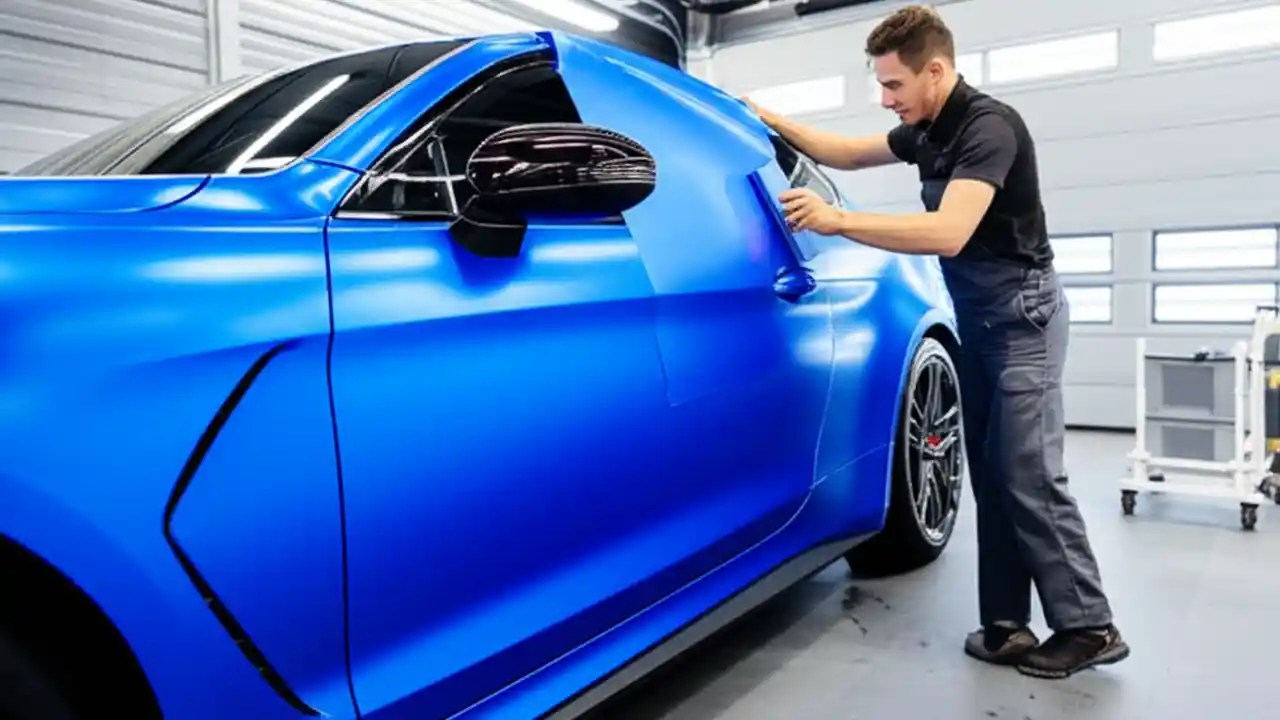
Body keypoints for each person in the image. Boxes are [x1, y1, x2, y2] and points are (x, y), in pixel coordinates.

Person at [743, 5, 1129, 679]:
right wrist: (770, 120)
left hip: (1022, 317)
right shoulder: (924, 127)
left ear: (936, 71)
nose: (885, 99)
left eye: (893, 86)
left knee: (1028, 472)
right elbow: (844, 152)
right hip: (977, 315)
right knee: (991, 471)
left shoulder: (988, 129)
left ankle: (1090, 626)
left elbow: (947, 232)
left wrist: (836, 221)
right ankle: (1008, 624)